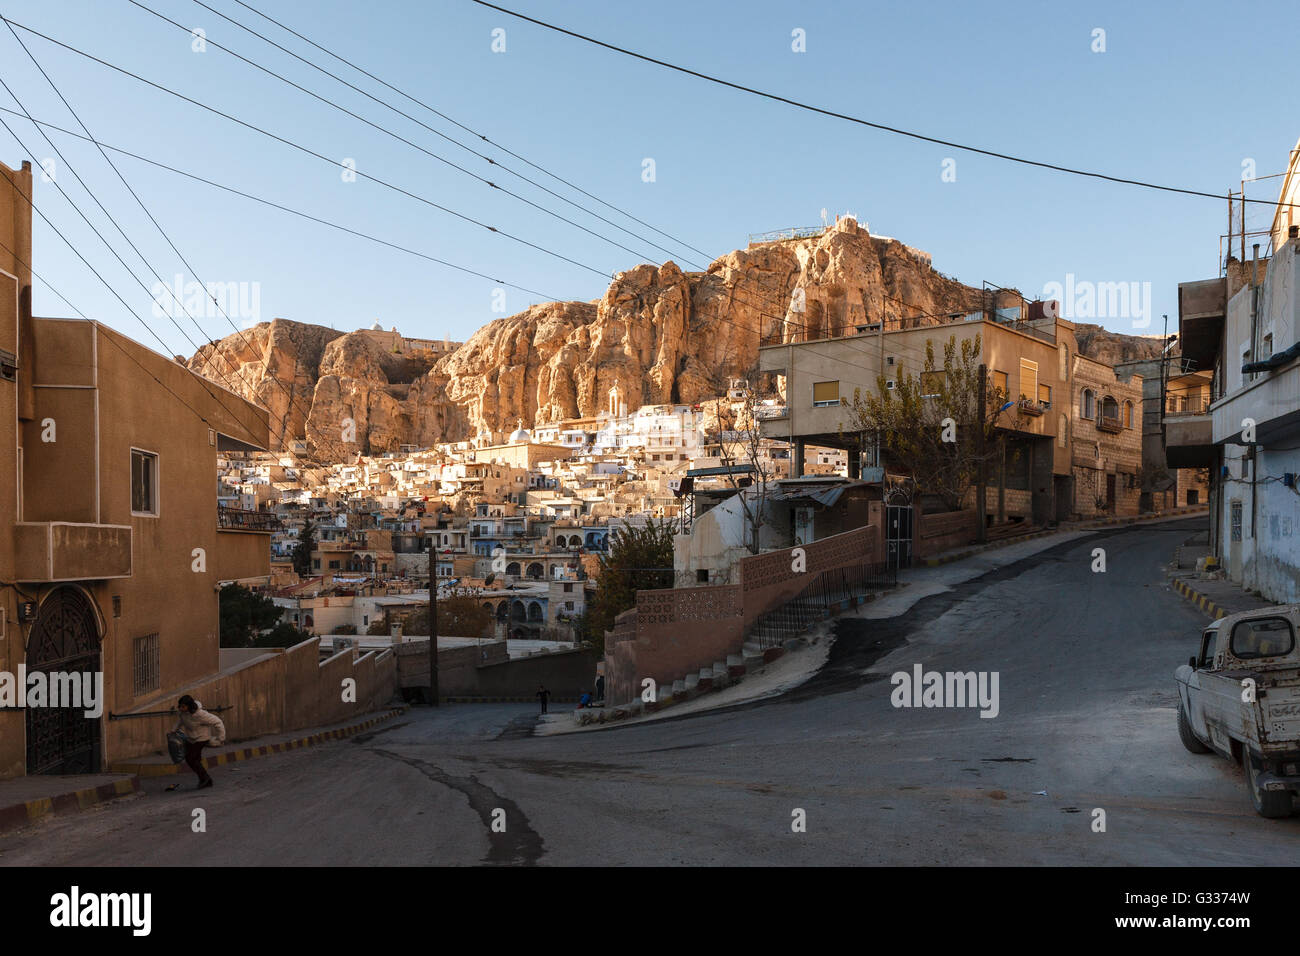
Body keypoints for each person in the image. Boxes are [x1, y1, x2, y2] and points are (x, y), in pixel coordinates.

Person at [172, 695, 226, 789]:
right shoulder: (183, 713)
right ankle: (205, 779)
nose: (181, 708)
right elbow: (181, 721)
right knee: (193, 759)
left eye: (183, 706)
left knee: (191, 759)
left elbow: (218, 722)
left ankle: (205, 779)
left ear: (189, 706)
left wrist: (221, 737)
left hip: (201, 738)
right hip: (190, 738)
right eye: (180, 706)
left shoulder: (200, 714)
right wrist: (173, 730)